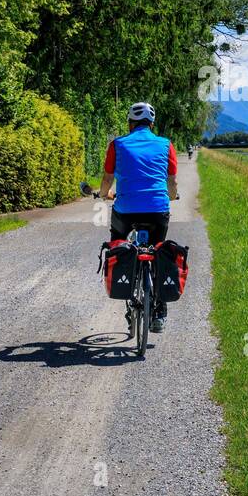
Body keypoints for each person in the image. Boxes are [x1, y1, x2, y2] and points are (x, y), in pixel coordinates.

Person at [99, 102, 179, 332]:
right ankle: (160, 309)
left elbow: (106, 180)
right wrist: (172, 197)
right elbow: (171, 183)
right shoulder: (166, 145)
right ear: (152, 124)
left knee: (119, 240)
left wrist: (105, 195)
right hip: (157, 210)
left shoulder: (118, 144)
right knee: (158, 249)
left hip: (126, 210)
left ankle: (126, 276)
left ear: (130, 123)